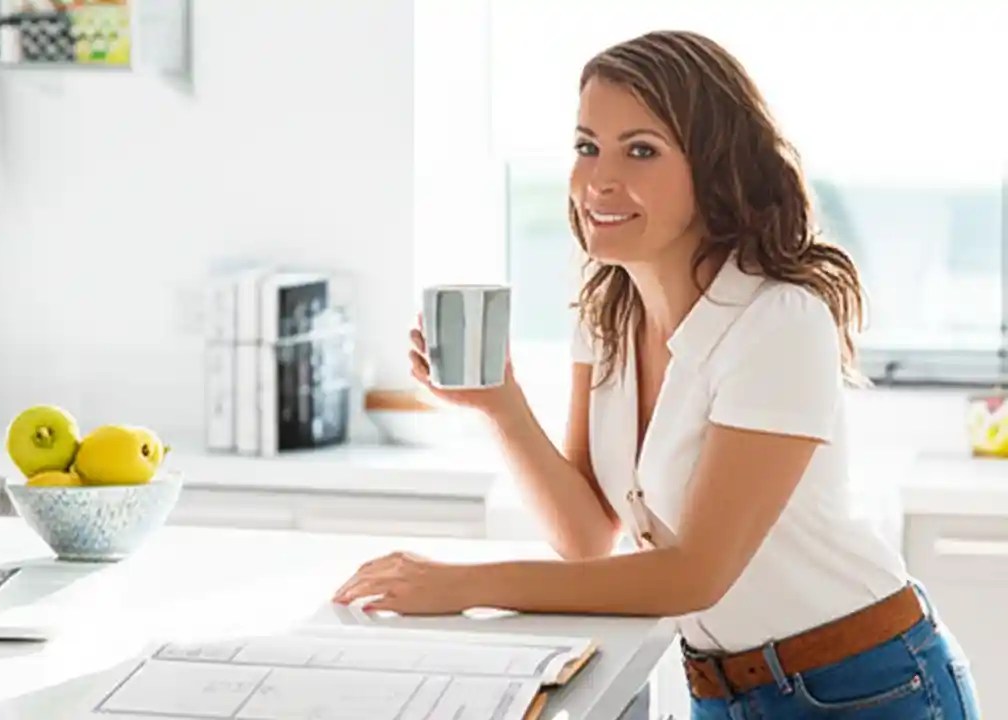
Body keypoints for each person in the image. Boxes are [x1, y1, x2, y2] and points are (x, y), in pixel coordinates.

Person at [333, 29, 982, 719]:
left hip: (868, 687)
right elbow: (588, 536)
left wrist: (463, 584)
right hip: (723, 692)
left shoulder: (777, 321)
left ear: (714, 168)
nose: (598, 180)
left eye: (640, 150)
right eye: (587, 147)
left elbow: (693, 575)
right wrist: (503, 406)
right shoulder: (607, 311)